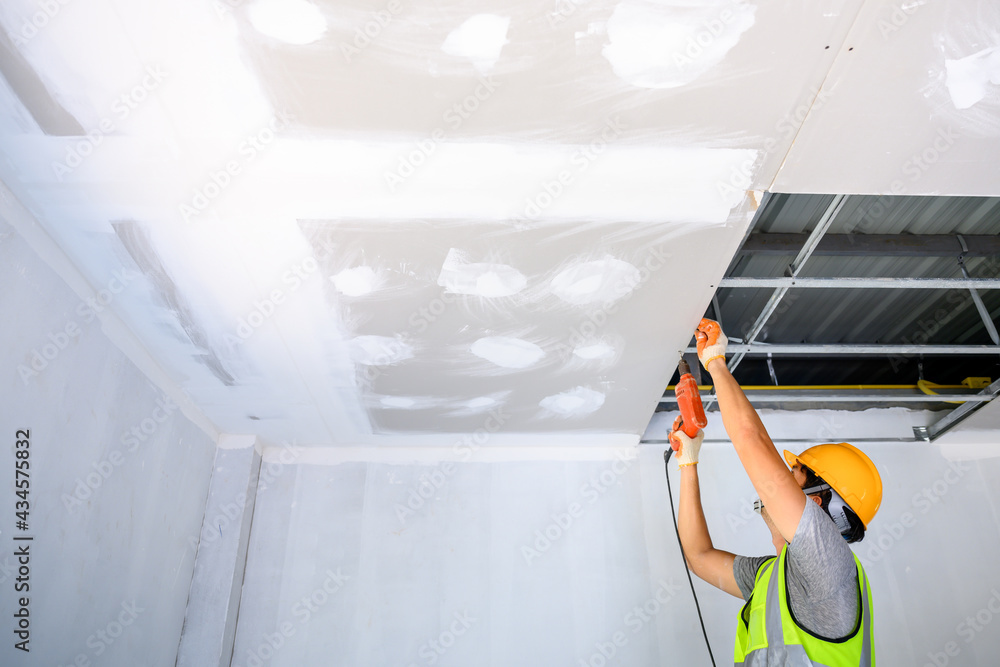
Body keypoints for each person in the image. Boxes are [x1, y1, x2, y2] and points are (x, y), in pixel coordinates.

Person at [672, 318, 882, 666]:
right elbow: (699, 556)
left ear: (816, 500)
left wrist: (716, 364)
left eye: (794, 473)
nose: (782, 476)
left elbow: (751, 440)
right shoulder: (774, 576)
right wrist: (688, 463)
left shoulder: (829, 565)